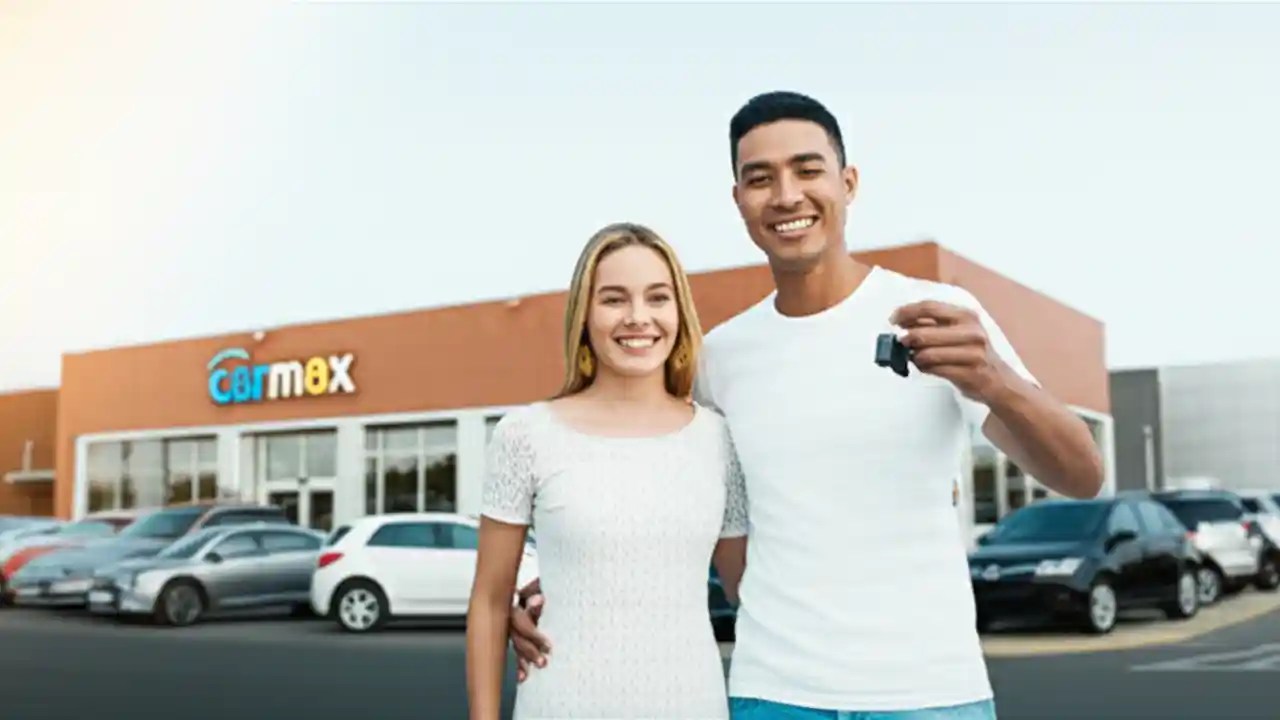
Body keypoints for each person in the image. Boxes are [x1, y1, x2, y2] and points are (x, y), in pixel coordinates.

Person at [507, 91, 1105, 719]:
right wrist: (546, 583)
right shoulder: (721, 358)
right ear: (738, 200)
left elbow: (1082, 475)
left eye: (808, 170)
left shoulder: (942, 315)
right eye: (759, 178)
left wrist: (996, 381)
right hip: (775, 692)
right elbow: (634, 477)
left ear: (848, 183)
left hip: (931, 692)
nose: (786, 195)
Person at [465, 222, 751, 720]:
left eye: (657, 298)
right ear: (584, 315)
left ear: (679, 312)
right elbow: (490, 602)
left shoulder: (720, 440)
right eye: (614, 300)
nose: (638, 318)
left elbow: (747, 589)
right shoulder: (526, 434)